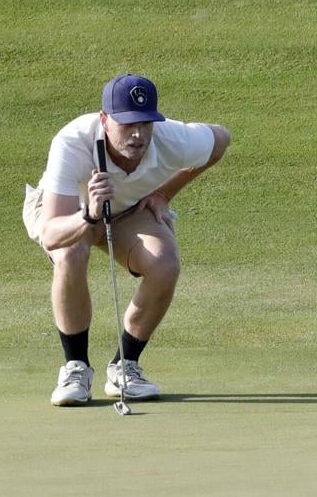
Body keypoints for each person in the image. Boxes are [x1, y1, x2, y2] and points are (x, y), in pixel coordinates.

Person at [23, 73, 232, 406]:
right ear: (105, 120)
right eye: (127, 124)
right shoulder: (72, 141)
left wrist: (164, 193)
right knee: (70, 253)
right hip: (68, 211)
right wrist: (90, 214)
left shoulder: (172, 138)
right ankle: (75, 367)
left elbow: (221, 139)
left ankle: (126, 366)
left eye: (146, 123)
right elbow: (50, 234)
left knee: (165, 263)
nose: (138, 134)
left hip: (127, 208)